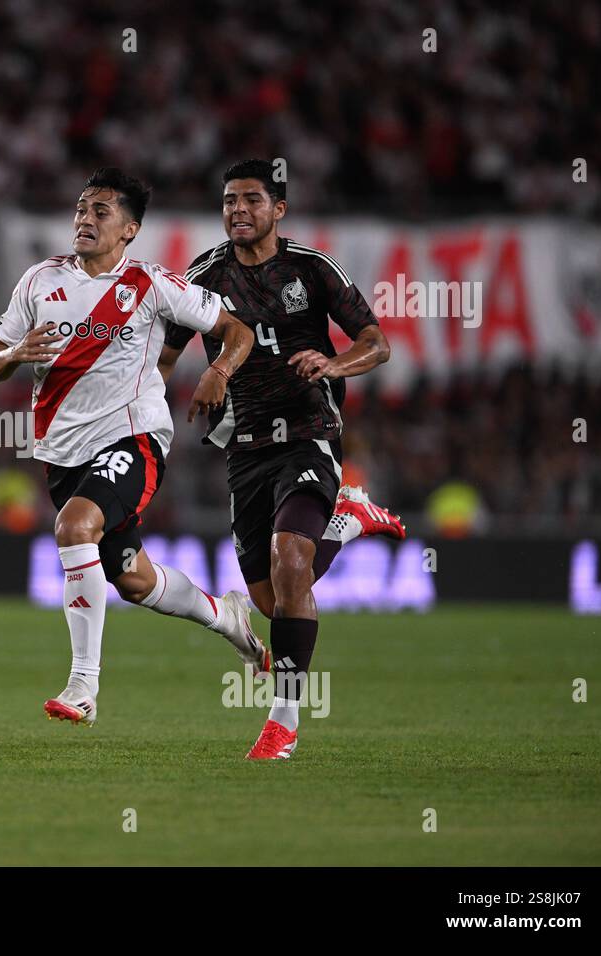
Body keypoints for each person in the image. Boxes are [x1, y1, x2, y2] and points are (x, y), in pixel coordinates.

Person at [0, 167, 260, 726]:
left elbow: (238, 331)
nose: (84, 219)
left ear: (130, 228)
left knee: (74, 527)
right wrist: (13, 357)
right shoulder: (39, 281)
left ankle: (83, 686)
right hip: (62, 451)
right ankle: (225, 616)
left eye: (100, 211)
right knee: (132, 578)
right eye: (81, 209)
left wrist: (220, 372)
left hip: (133, 437)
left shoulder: (152, 286)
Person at [159, 159, 405, 760]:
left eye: (251, 199)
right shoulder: (203, 277)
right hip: (244, 447)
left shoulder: (311, 269)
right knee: (271, 602)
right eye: (228, 201)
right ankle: (348, 521)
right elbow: (163, 356)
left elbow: (376, 344)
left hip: (308, 429)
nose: (237, 210)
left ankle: (283, 721)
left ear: (279, 210)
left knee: (292, 563)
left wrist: (331, 364)